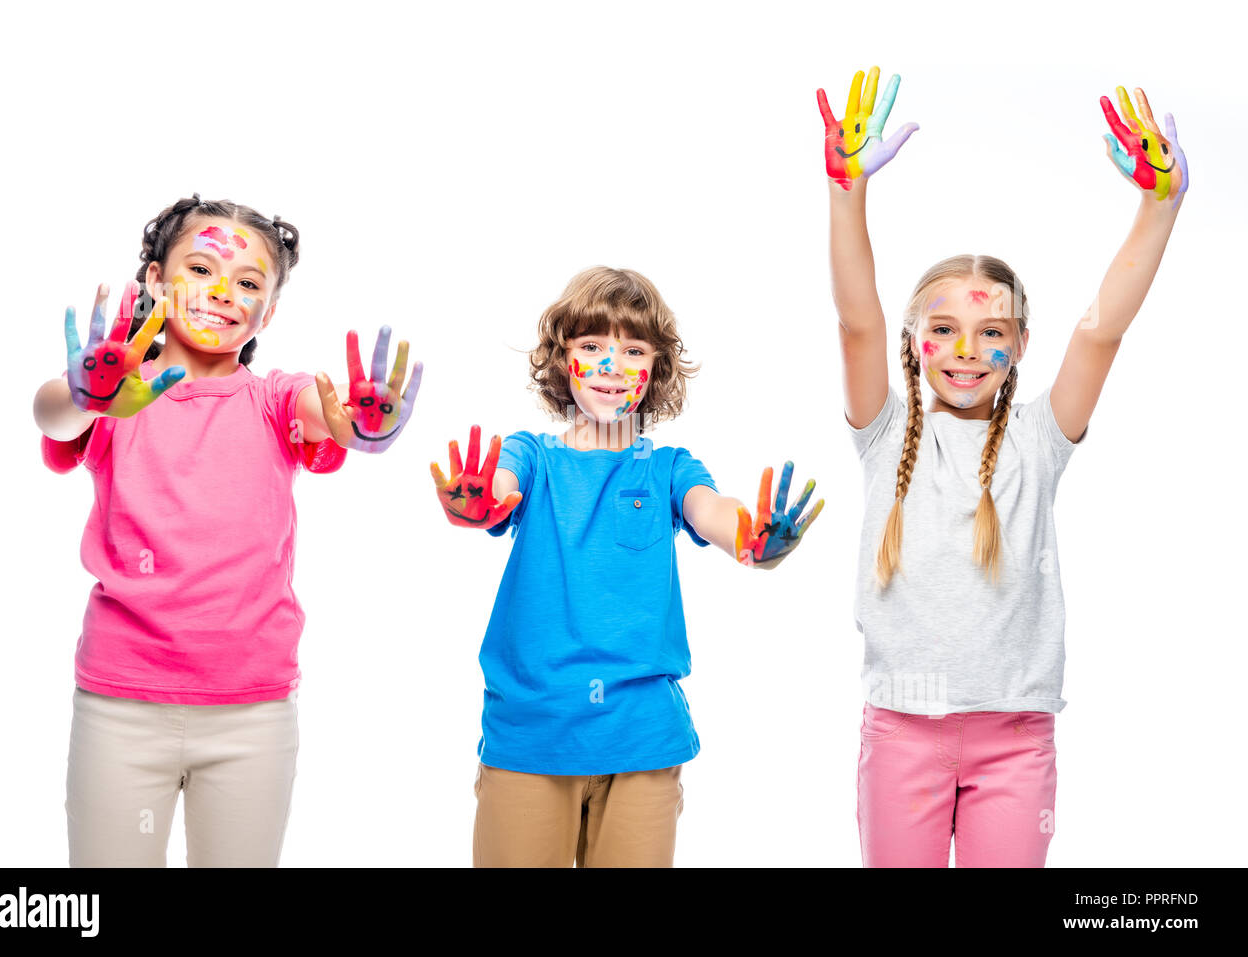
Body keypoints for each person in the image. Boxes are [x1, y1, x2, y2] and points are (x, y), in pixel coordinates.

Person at [821, 67, 1187, 866]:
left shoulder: (1038, 438)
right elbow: (857, 320)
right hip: (902, 727)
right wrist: (847, 194)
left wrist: (1159, 206)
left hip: (1015, 737)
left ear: (1020, 344)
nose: (965, 350)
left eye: (991, 332)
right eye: (943, 328)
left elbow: (1099, 332)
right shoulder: (883, 434)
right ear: (915, 341)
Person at [33, 194, 422, 866]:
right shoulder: (117, 393)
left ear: (268, 310)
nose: (223, 293)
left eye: (247, 283)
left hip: (254, 712)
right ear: (154, 280)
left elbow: (324, 414)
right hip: (120, 703)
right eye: (201, 269)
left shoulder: (273, 399)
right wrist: (87, 393)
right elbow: (52, 416)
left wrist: (360, 422)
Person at [430, 266, 823, 866]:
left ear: (656, 368)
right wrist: (478, 500)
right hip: (531, 737)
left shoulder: (668, 467)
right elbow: (496, 493)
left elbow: (712, 510)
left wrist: (751, 536)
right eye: (592, 347)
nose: (611, 365)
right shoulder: (531, 456)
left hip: (641, 739)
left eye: (632, 349)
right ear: (563, 360)